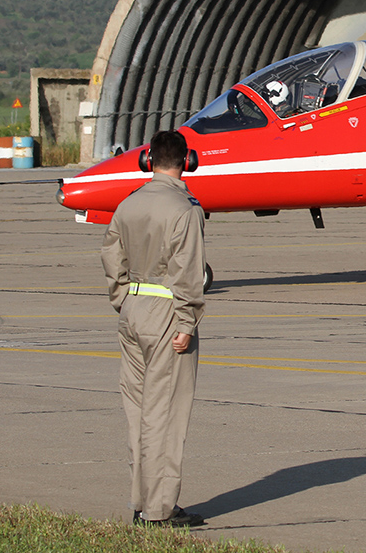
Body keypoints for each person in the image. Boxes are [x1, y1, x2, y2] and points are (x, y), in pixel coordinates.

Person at [101, 129, 207, 527]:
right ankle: (159, 510)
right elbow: (187, 271)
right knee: (165, 413)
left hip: (133, 309)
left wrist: (123, 299)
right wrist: (186, 320)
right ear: (187, 161)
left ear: (148, 161)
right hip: (167, 312)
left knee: (138, 410)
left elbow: (111, 253)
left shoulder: (128, 204)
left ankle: (141, 498)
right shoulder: (185, 209)